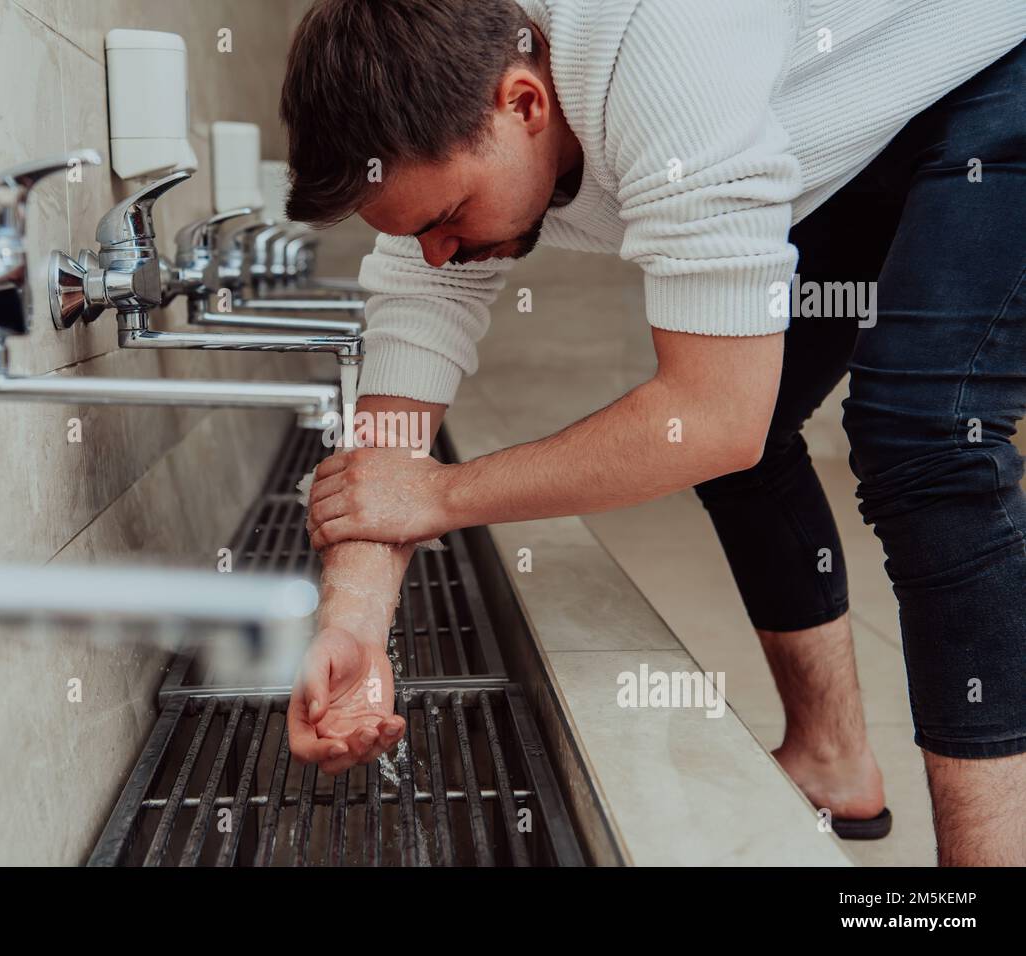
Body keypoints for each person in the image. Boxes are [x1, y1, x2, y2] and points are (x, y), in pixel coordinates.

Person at [279, 0, 1026, 865]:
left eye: (448, 218)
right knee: (758, 426)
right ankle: (833, 758)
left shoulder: (665, 49)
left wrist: (444, 494)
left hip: (994, 57)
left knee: (922, 434)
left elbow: (710, 417)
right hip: (857, 114)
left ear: (524, 104)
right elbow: (411, 344)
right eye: (417, 234)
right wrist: (354, 624)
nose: (439, 253)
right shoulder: (445, 101)